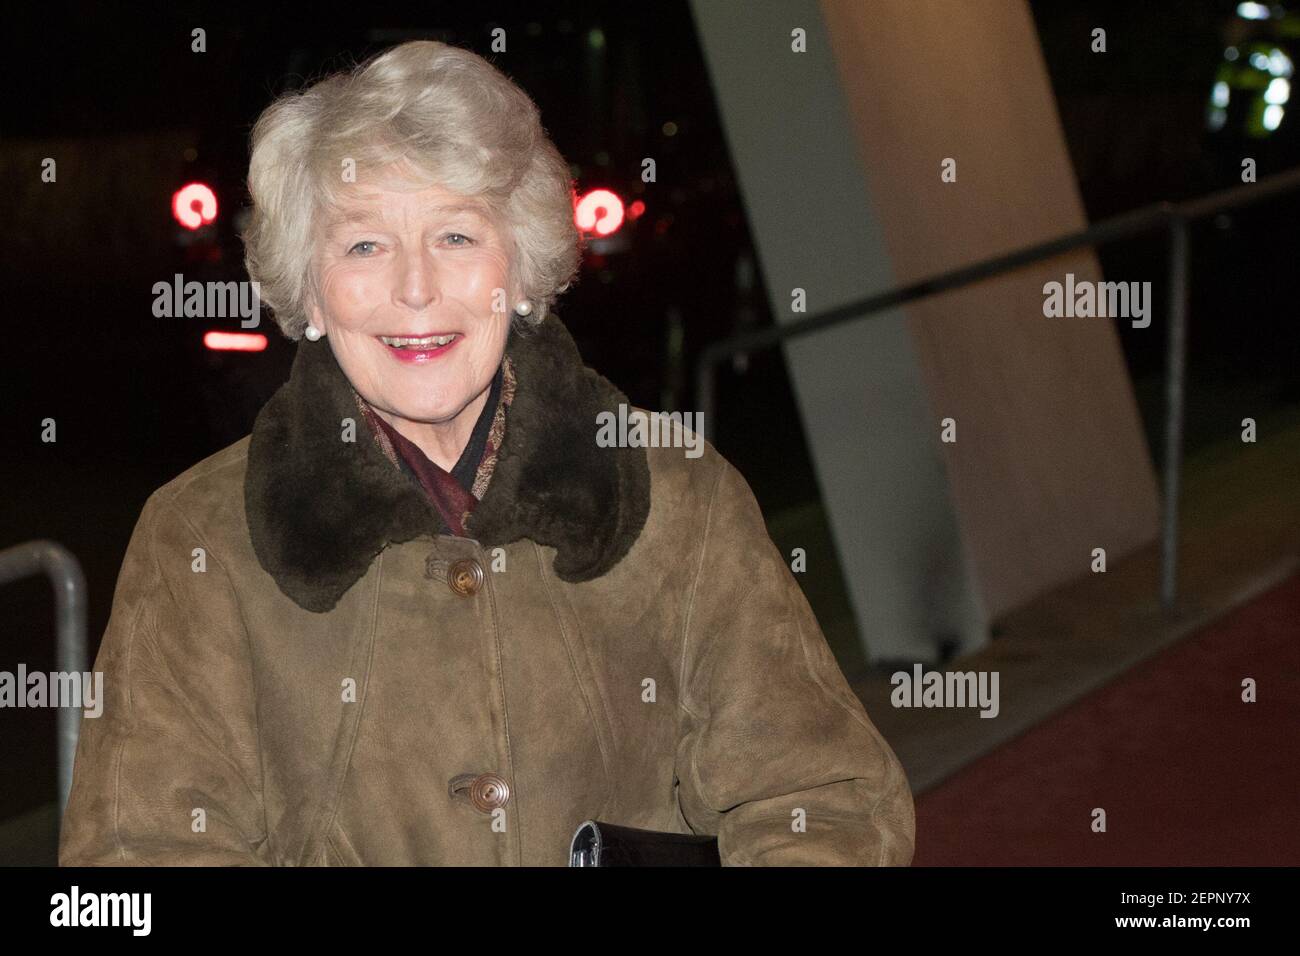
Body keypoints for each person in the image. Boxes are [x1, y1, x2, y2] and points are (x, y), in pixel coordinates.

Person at [59, 40, 915, 866]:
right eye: (363, 244)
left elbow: (826, 801)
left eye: (457, 236)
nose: (416, 287)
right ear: (308, 290)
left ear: (525, 267)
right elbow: (137, 855)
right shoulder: (199, 540)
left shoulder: (676, 495)